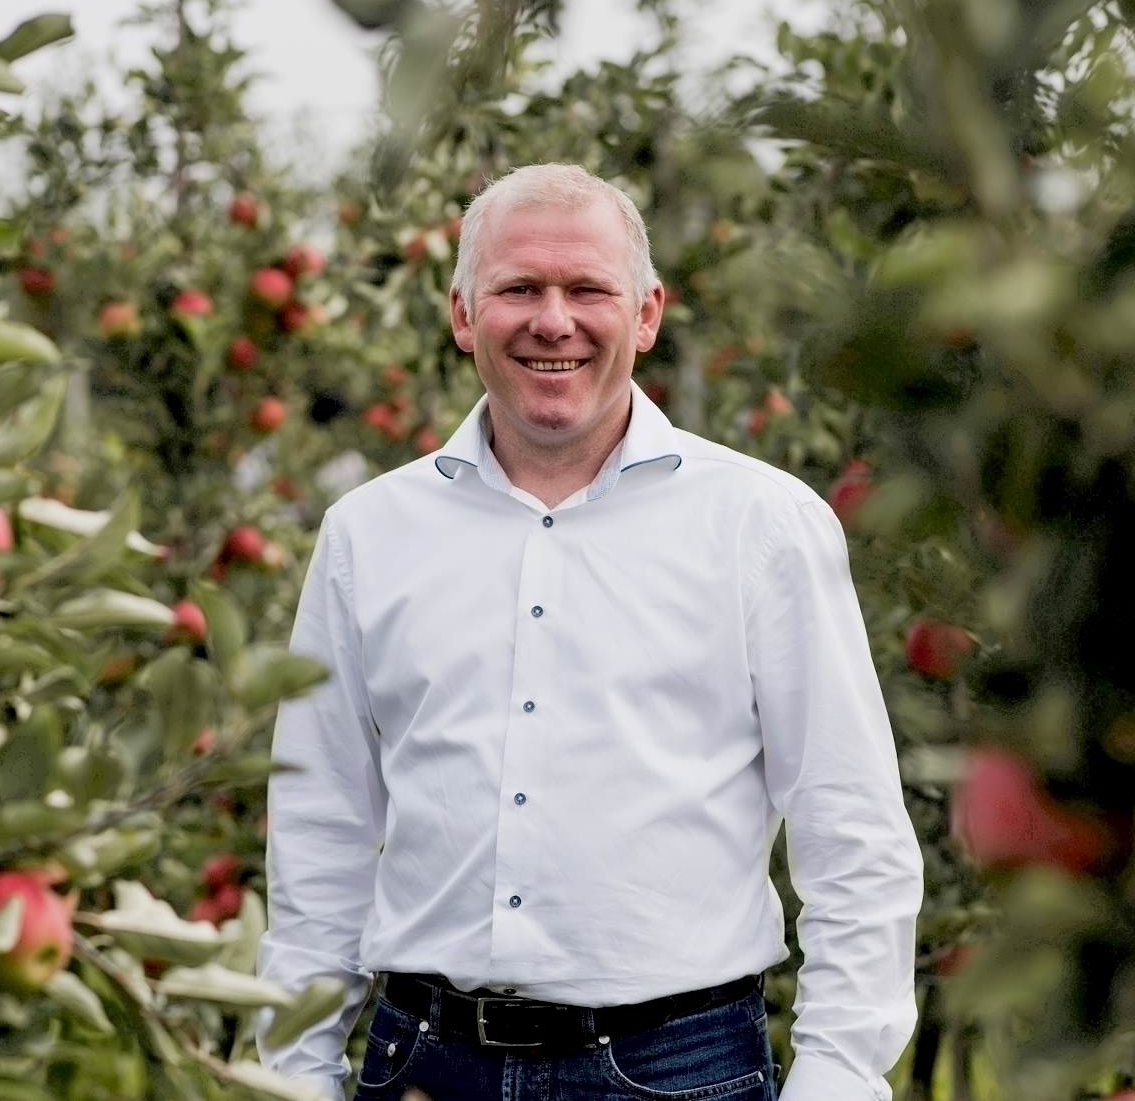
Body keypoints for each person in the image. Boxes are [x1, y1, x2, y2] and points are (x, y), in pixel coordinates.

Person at [258, 163, 922, 1101]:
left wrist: (839, 1078)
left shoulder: (761, 525)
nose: (553, 320)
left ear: (647, 313)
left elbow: (852, 832)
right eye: (519, 288)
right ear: (461, 313)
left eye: (587, 290)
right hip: (423, 1064)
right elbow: (319, 827)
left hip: (676, 1067)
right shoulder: (368, 534)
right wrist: (297, 1073)